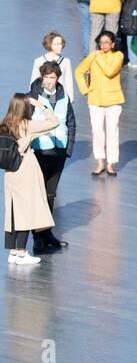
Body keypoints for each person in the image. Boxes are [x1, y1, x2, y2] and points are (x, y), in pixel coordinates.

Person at [2, 94, 60, 267]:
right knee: (25, 211)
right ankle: (21, 253)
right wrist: (41, 105)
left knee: (12, 211)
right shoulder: (27, 125)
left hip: (10, 172)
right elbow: (54, 121)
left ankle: (12, 252)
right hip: (25, 170)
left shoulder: (3, 124)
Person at [28, 65, 76, 254]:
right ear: (42, 77)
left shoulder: (64, 96)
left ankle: (47, 233)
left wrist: (68, 149)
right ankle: (37, 237)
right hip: (39, 152)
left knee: (50, 195)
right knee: (38, 195)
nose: (49, 81)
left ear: (58, 78)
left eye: (52, 77)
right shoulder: (32, 96)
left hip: (58, 152)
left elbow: (71, 122)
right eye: (46, 77)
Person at [76, 30, 124, 176]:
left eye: (106, 43)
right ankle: (100, 162)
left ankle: (111, 163)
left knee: (112, 132)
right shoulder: (93, 55)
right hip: (95, 100)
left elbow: (110, 71)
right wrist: (86, 90)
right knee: (97, 132)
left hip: (113, 100)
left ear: (113, 44)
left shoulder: (118, 56)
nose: (103, 45)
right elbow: (79, 71)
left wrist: (98, 57)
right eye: (101, 42)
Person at [31, 33, 75, 106]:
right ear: (49, 45)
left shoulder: (66, 61)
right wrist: (32, 98)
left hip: (60, 98)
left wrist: (70, 99)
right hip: (42, 98)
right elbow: (34, 81)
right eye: (56, 44)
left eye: (60, 44)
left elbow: (68, 81)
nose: (60, 46)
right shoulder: (39, 61)